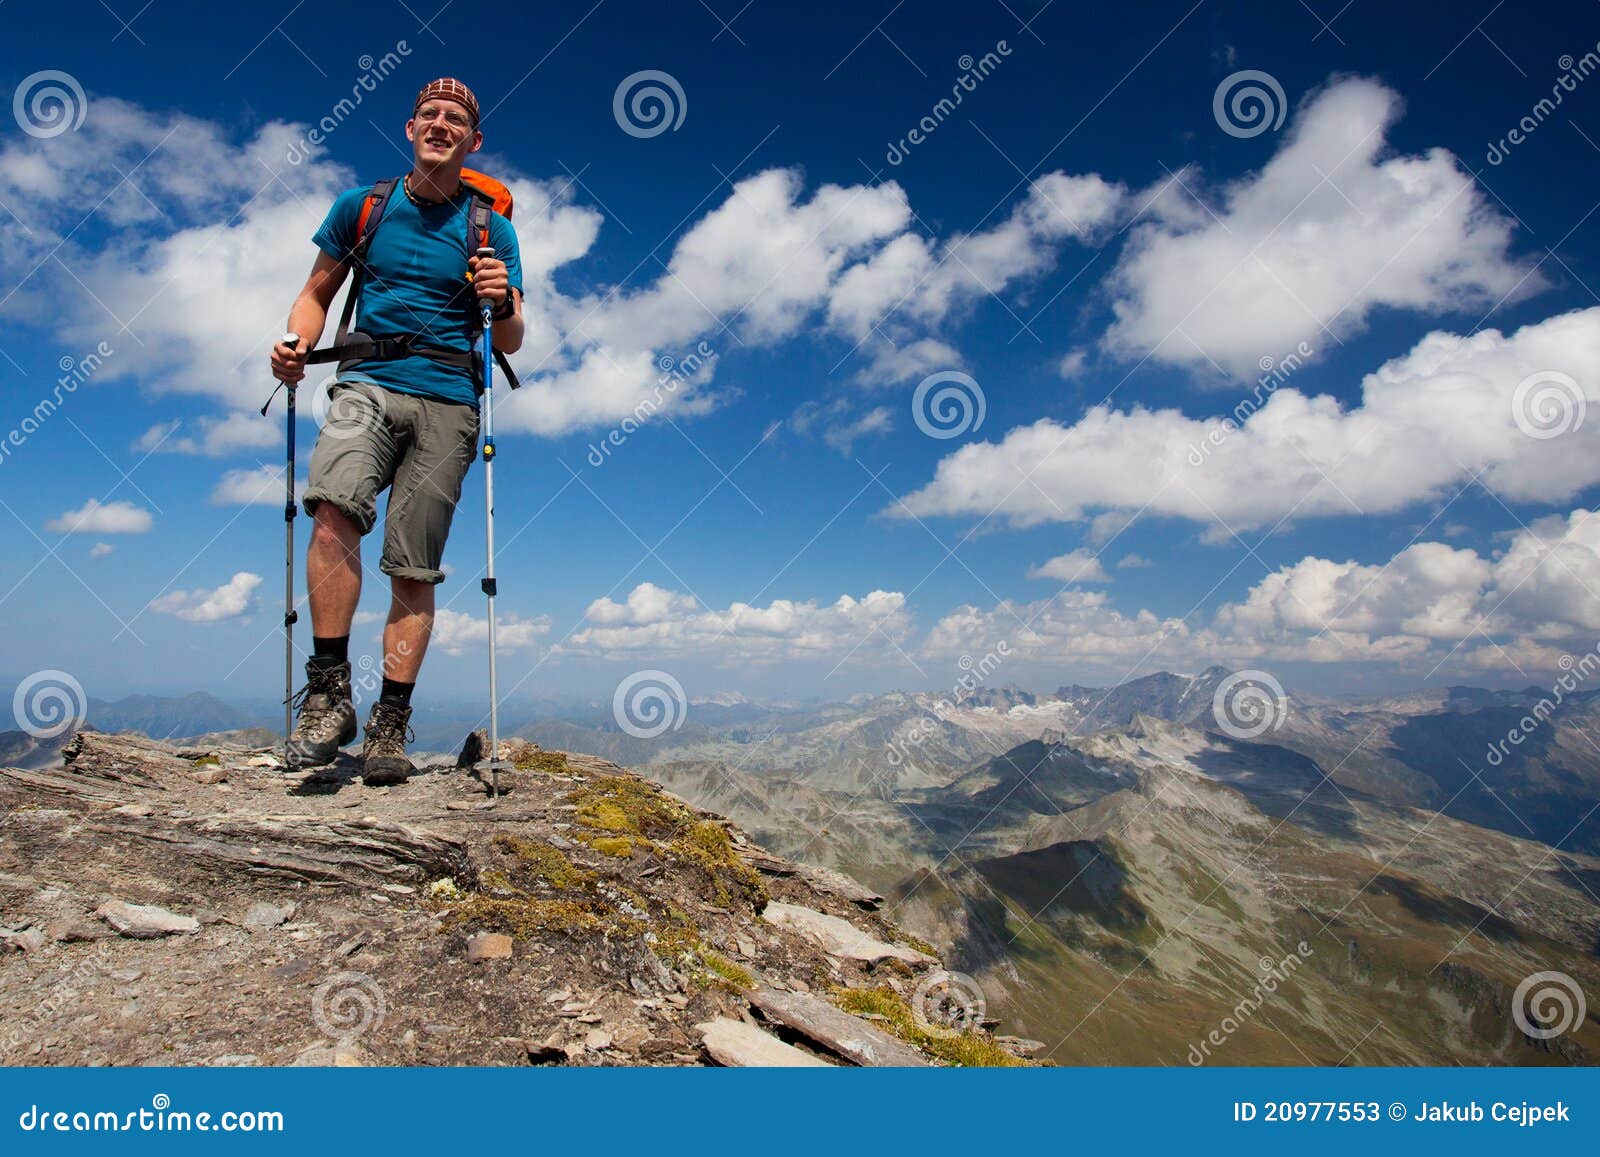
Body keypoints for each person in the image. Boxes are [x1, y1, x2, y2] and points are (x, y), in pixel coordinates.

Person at [268, 77, 524, 784]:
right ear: (410, 128)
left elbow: (513, 335)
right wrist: (295, 340)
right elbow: (316, 292)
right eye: (431, 116)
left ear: (474, 142)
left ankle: (390, 723)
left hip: (449, 399)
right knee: (331, 511)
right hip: (366, 381)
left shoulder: (490, 227)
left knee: (413, 566)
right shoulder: (364, 208)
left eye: (457, 120)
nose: (441, 125)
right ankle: (329, 696)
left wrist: (499, 300)